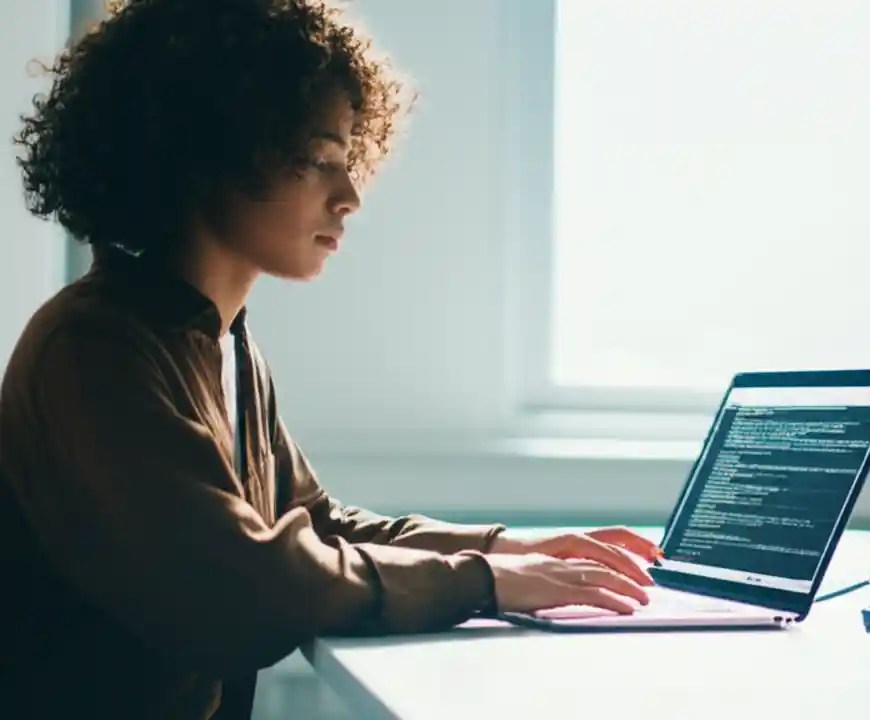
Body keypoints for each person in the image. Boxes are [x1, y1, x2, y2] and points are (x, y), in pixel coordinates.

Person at [0, 1, 661, 717]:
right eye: (319, 161)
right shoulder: (95, 349)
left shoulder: (223, 343)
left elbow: (312, 524)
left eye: (348, 162)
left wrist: (510, 550)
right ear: (207, 150)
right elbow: (242, 591)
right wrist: (482, 581)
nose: (348, 197)